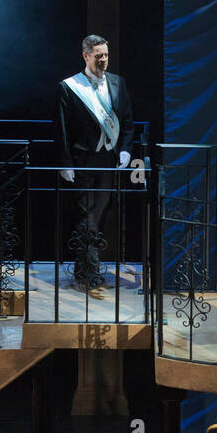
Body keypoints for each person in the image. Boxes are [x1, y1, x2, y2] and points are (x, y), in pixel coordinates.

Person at [57, 34, 135, 288]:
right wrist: (65, 162)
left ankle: (87, 268)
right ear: (85, 56)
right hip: (82, 159)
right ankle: (88, 272)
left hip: (107, 159)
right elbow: (62, 130)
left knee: (99, 214)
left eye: (106, 55)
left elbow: (128, 122)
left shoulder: (118, 83)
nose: (103, 60)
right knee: (86, 215)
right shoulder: (70, 87)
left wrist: (125, 150)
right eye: (98, 55)